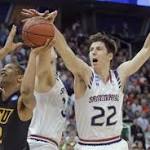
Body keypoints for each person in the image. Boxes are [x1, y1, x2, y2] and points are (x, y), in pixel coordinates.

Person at [22, 9, 150, 150]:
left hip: (116, 144)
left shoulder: (120, 75)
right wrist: (50, 27)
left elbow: (145, 50)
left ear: (110, 55)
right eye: (91, 49)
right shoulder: (85, 75)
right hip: (89, 146)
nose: (93, 52)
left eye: (98, 49)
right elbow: (65, 50)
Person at [21, 10, 68, 150]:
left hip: (46, 144)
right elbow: (44, 62)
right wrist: (44, 29)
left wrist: (49, 26)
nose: (53, 48)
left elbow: (64, 48)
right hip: (38, 143)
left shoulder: (56, 82)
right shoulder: (44, 80)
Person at [0, 24, 43, 150]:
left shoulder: (22, 102)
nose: (3, 69)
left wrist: (34, 54)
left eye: (8, 68)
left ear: (20, 78)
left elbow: (27, 90)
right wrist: (5, 51)